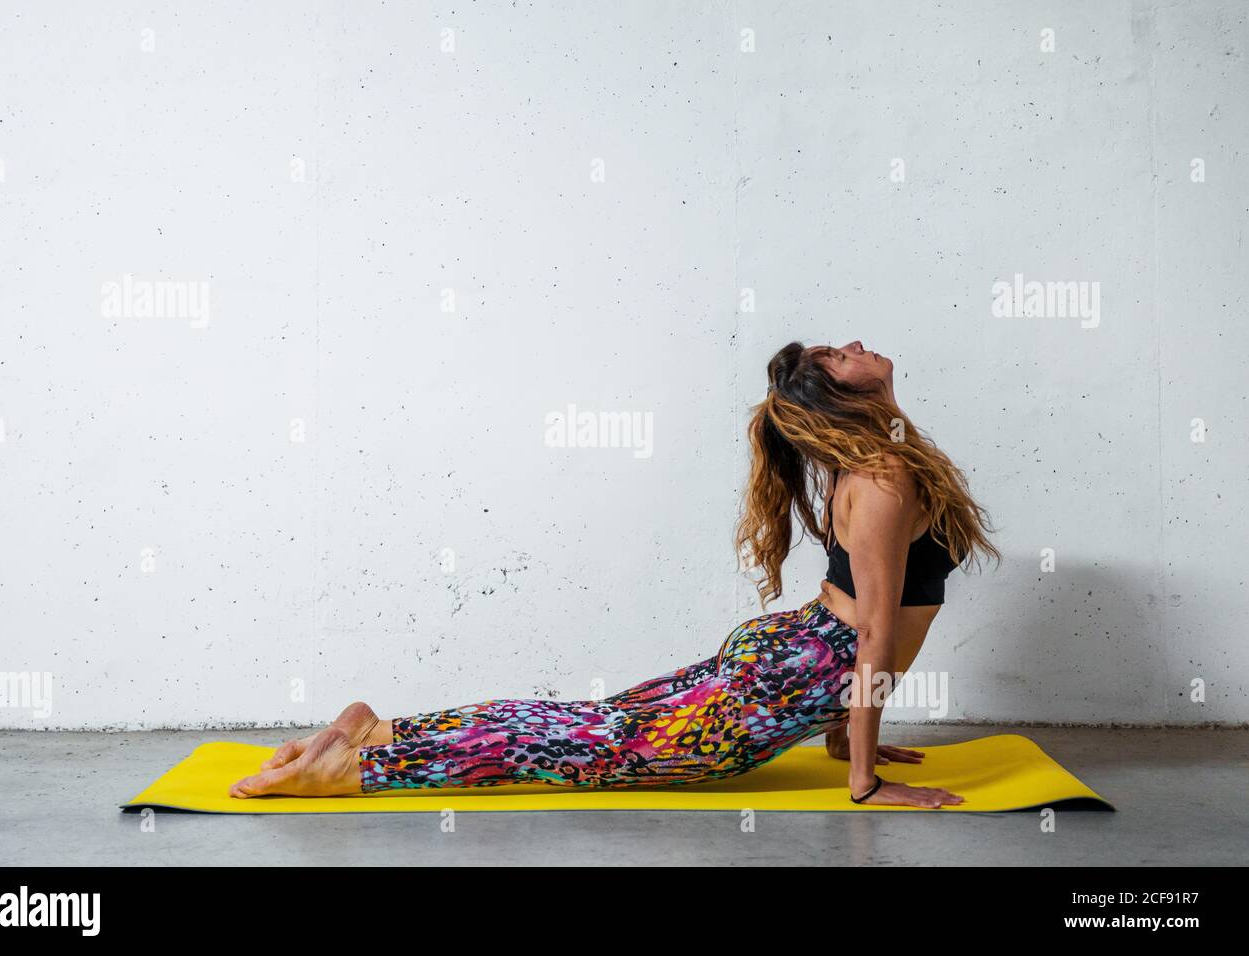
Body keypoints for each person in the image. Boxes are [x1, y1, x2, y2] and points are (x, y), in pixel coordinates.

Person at [230, 340, 1001, 807]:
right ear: (841, 393)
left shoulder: (881, 460)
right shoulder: (884, 478)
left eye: (838, 349)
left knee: (582, 728)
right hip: (792, 672)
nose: (854, 346)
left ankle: (377, 732)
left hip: (790, 660)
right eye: (837, 355)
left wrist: (840, 737)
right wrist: (862, 777)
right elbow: (869, 632)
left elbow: (864, 624)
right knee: (576, 748)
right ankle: (355, 766)